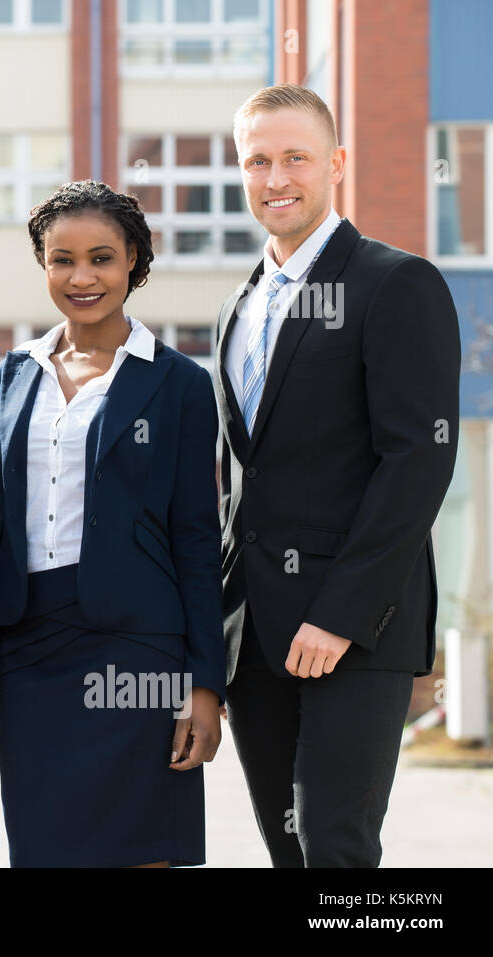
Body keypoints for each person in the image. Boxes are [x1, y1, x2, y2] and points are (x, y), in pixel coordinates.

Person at [215, 85, 460, 867]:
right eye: (258, 160)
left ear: (336, 164)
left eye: (295, 157)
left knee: (334, 850)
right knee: (288, 851)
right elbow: (238, 484)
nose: (276, 176)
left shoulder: (394, 283)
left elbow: (418, 457)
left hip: (355, 628)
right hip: (254, 634)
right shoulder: (237, 310)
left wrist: (343, 613)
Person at [0, 181, 225, 867]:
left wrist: (204, 686)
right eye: (62, 259)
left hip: (139, 652)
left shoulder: (180, 384)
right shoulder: (11, 376)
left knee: (139, 849)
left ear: (134, 261)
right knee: (45, 851)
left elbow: (197, 538)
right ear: (42, 265)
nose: (82, 277)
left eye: (102, 257)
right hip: (30, 649)